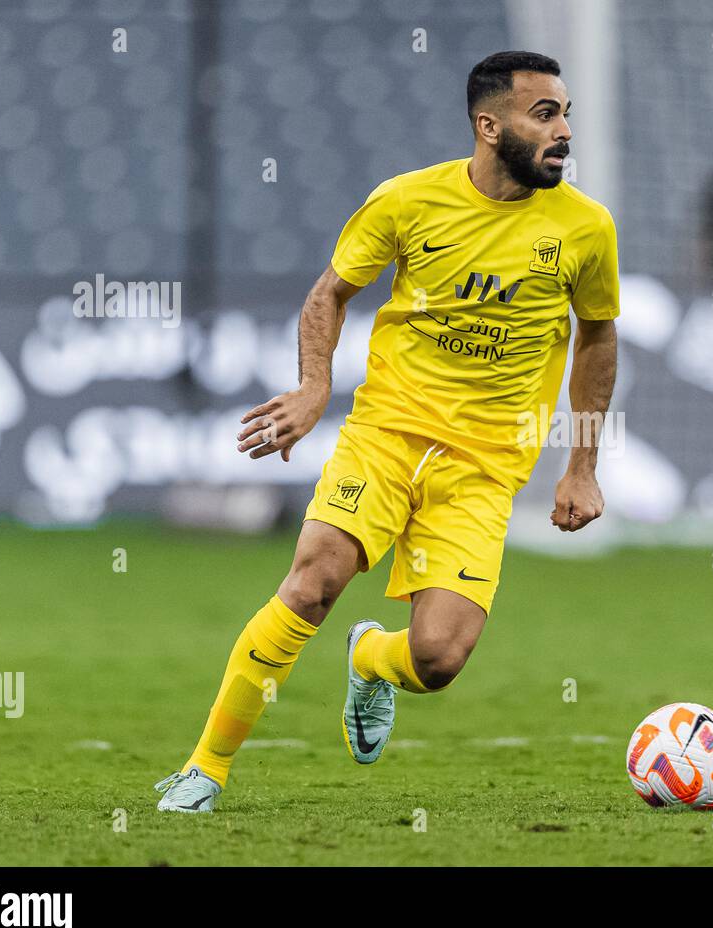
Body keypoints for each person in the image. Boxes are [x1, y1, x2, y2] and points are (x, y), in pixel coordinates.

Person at [155, 51, 619, 812]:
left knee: (438, 659)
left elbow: (597, 338)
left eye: (566, 114)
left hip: (484, 465)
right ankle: (205, 768)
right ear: (488, 124)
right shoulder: (406, 202)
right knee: (312, 582)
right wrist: (314, 386)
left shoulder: (585, 228)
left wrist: (583, 466)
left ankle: (369, 659)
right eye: (546, 115)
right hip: (387, 434)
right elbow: (331, 292)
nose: (564, 131)